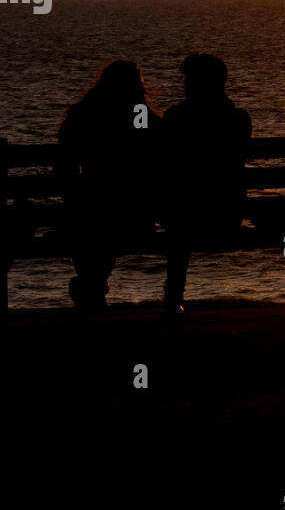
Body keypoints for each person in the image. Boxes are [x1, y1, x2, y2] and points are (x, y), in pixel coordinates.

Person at [58, 60, 161, 312]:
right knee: (104, 223)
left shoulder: (83, 116)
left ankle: (90, 286)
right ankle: (92, 288)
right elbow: (158, 149)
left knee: (90, 224)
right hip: (135, 218)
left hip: (88, 214)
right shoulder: (139, 116)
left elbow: (64, 170)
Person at [160, 54, 252, 318]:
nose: (185, 86)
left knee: (178, 214)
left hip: (183, 220)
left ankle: (174, 296)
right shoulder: (239, 120)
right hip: (227, 217)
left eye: (189, 80)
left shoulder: (175, 118)